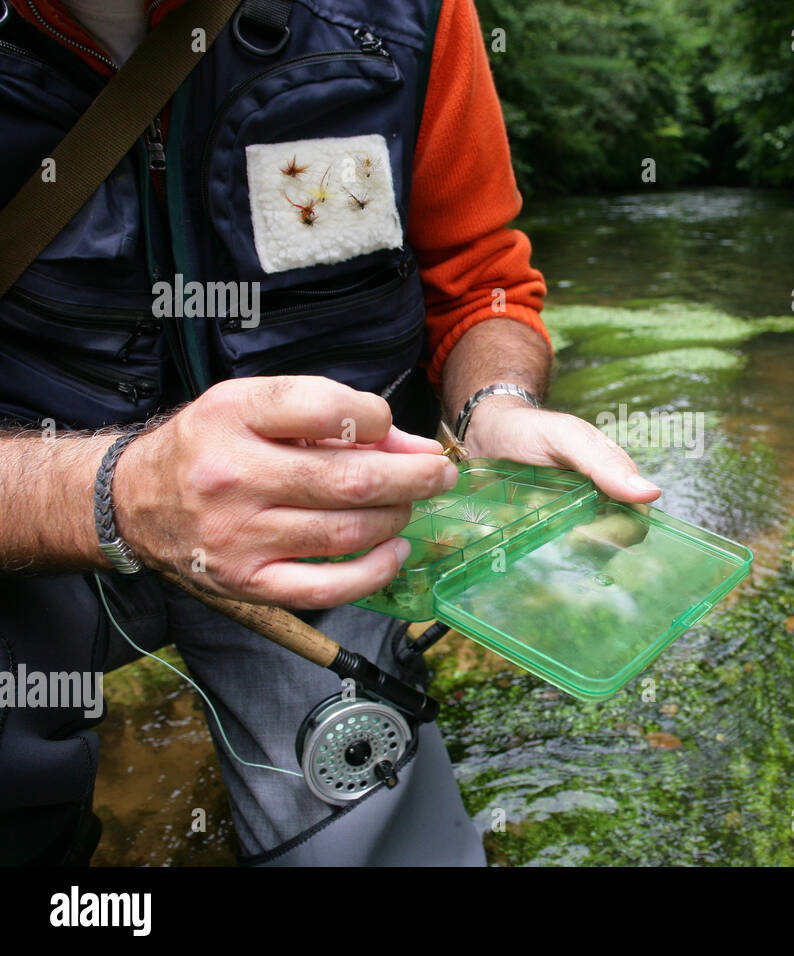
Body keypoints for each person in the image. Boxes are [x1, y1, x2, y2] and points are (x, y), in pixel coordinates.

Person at [0, 0, 659, 865]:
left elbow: (479, 283)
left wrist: (495, 409)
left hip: (337, 526)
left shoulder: (415, 13)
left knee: (369, 828)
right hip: (26, 523)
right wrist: (117, 493)